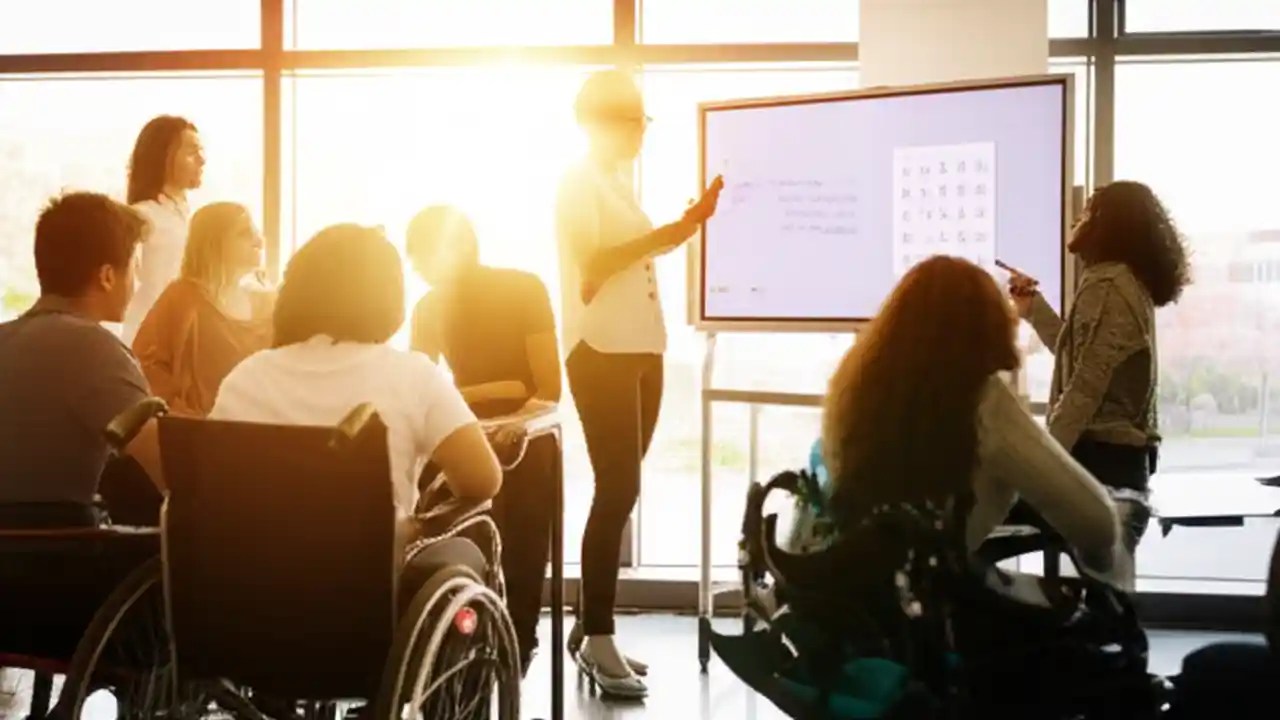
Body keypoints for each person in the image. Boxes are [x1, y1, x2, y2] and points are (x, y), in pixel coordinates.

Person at [556, 69, 724, 697]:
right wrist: (678, 228)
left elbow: (620, 261)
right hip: (600, 351)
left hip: (640, 349)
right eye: (634, 122)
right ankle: (597, 635)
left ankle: (588, 627)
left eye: (644, 122)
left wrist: (686, 223)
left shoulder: (616, 185)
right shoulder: (576, 183)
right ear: (599, 122)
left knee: (623, 491)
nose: (641, 133)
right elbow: (594, 261)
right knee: (616, 488)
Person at [822, 255, 1119, 573]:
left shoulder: (854, 385)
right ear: (989, 326)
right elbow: (1096, 523)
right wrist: (1099, 564)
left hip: (846, 593)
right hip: (928, 603)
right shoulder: (982, 400)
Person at [210, 223, 501, 517]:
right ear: (387, 294)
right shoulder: (412, 375)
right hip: (370, 561)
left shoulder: (247, 377)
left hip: (254, 561)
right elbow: (483, 480)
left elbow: (212, 481)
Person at [1006, 181, 1191, 568]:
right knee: (1106, 592)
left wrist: (1044, 460)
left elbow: (1086, 386)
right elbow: (1078, 356)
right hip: (1115, 459)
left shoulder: (1110, 284)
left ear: (1108, 224)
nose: (1078, 218)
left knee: (1102, 591)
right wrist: (1033, 308)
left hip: (1103, 460)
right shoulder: (1116, 281)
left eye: (1089, 211)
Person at [406, 205, 560, 672]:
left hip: (523, 431)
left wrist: (473, 397)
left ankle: (517, 644)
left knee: (522, 533)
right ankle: (458, 644)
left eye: (421, 256)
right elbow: (417, 384)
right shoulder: (430, 306)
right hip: (464, 429)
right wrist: (497, 391)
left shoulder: (524, 288)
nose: (419, 269)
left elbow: (548, 388)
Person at [0, 191, 164, 525]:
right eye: (134, 267)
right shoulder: (95, 349)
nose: (138, 282)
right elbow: (167, 465)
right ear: (106, 276)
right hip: (64, 558)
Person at [132, 202, 273, 416]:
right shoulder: (183, 297)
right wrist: (184, 414)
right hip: (202, 434)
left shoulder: (268, 303)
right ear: (214, 243)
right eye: (244, 233)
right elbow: (145, 366)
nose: (259, 241)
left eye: (256, 232)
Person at [121, 115, 205, 344]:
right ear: (163, 157)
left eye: (201, 151)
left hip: (184, 336)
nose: (202, 160)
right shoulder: (141, 217)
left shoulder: (188, 218)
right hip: (147, 338)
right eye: (191, 152)